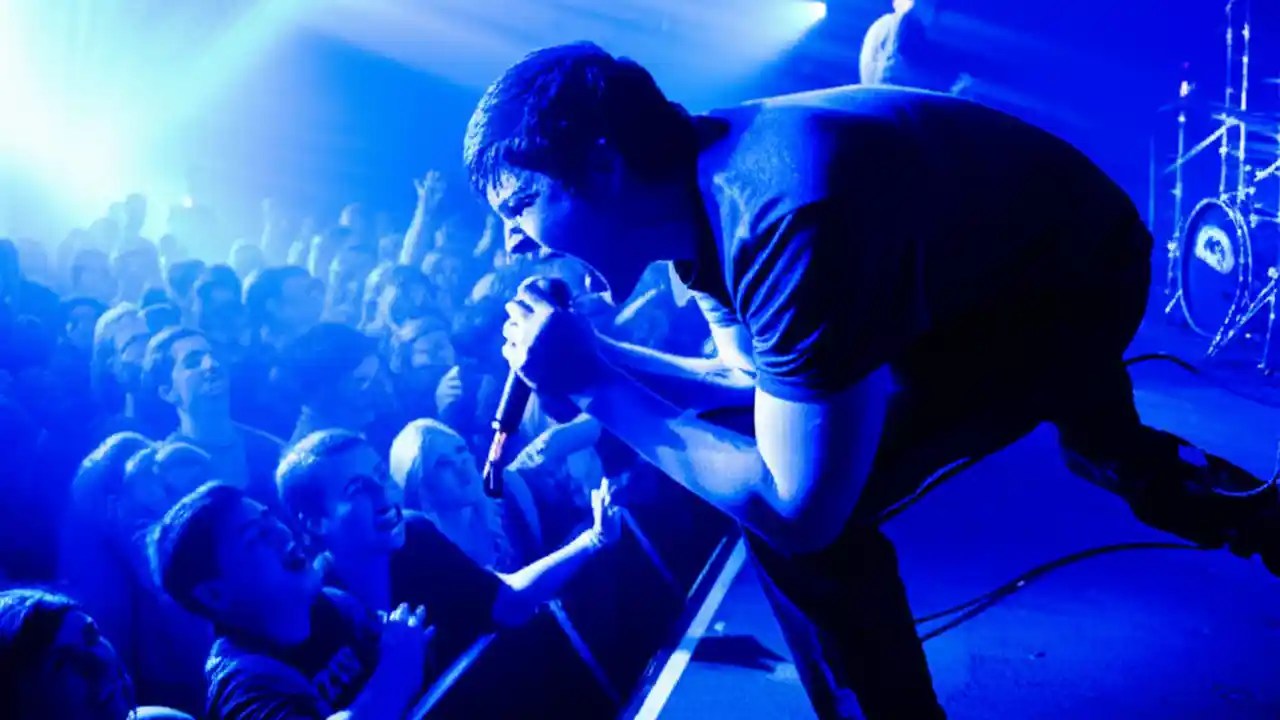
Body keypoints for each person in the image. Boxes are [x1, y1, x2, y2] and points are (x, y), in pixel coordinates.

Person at [467, 43, 1280, 719]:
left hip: (1068, 282)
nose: (513, 245)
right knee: (1100, 442)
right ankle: (1251, 510)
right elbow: (750, 378)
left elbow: (798, 508)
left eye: (522, 204)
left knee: (805, 518)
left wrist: (599, 387)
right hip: (1004, 267)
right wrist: (599, 359)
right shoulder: (698, 204)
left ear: (603, 164)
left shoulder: (781, 215)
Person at [278, 430, 616, 667]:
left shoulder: (416, 534)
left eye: (381, 476)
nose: (383, 497)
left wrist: (593, 539)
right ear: (315, 522)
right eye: (356, 490)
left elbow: (506, 603)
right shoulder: (316, 610)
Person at [150, 482, 431, 720]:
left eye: (270, 518)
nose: (282, 532)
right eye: (256, 535)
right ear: (215, 595)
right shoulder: (245, 692)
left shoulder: (333, 605)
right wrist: (397, 672)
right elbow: (399, 667)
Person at [143, 327, 284, 509]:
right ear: (168, 392)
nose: (211, 365)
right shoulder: (165, 469)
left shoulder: (271, 451)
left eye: (214, 356)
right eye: (193, 362)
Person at [859, 0, 970, 94]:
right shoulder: (905, 22)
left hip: (880, 95)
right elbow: (910, 68)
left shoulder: (882, 25)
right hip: (894, 96)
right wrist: (952, 86)